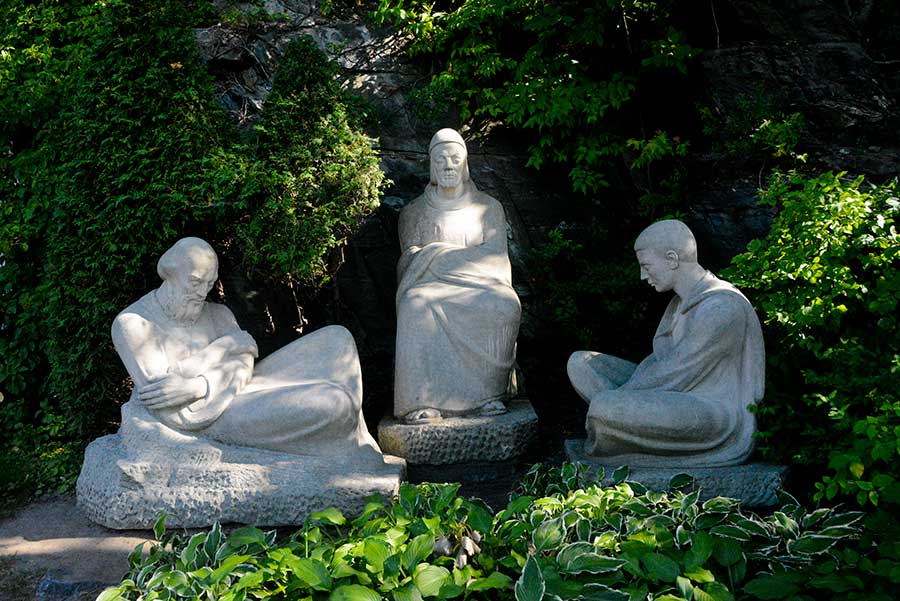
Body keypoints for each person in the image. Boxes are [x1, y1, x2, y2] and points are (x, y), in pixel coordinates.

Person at [111, 237, 383, 462]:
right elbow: (168, 399)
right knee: (336, 402)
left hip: (235, 389)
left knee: (337, 339)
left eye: (209, 283)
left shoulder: (218, 313)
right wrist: (225, 347)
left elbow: (244, 361)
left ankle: (354, 442)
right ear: (170, 275)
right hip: (208, 417)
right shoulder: (134, 325)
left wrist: (201, 383)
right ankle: (343, 445)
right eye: (195, 282)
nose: (202, 292)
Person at [567, 220, 765, 467]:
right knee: (581, 364)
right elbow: (659, 361)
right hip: (674, 394)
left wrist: (619, 396)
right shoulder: (680, 302)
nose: (642, 275)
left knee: (605, 406)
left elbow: (676, 371)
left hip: (711, 412)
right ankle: (619, 423)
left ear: (672, 259)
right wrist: (626, 394)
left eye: (646, 266)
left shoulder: (721, 306)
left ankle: (615, 422)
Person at [394, 128, 521, 423]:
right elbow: (408, 264)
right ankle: (421, 402)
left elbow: (496, 260)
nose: (448, 165)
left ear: (465, 164)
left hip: (481, 287)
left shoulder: (489, 208)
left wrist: (434, 254)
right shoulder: (414, 213)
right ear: (431, 166)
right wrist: (441, 258)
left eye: (455, 159)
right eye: (440, 160)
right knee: (415, 304)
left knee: (505, 305)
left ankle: (490, 396)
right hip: (431, 288)